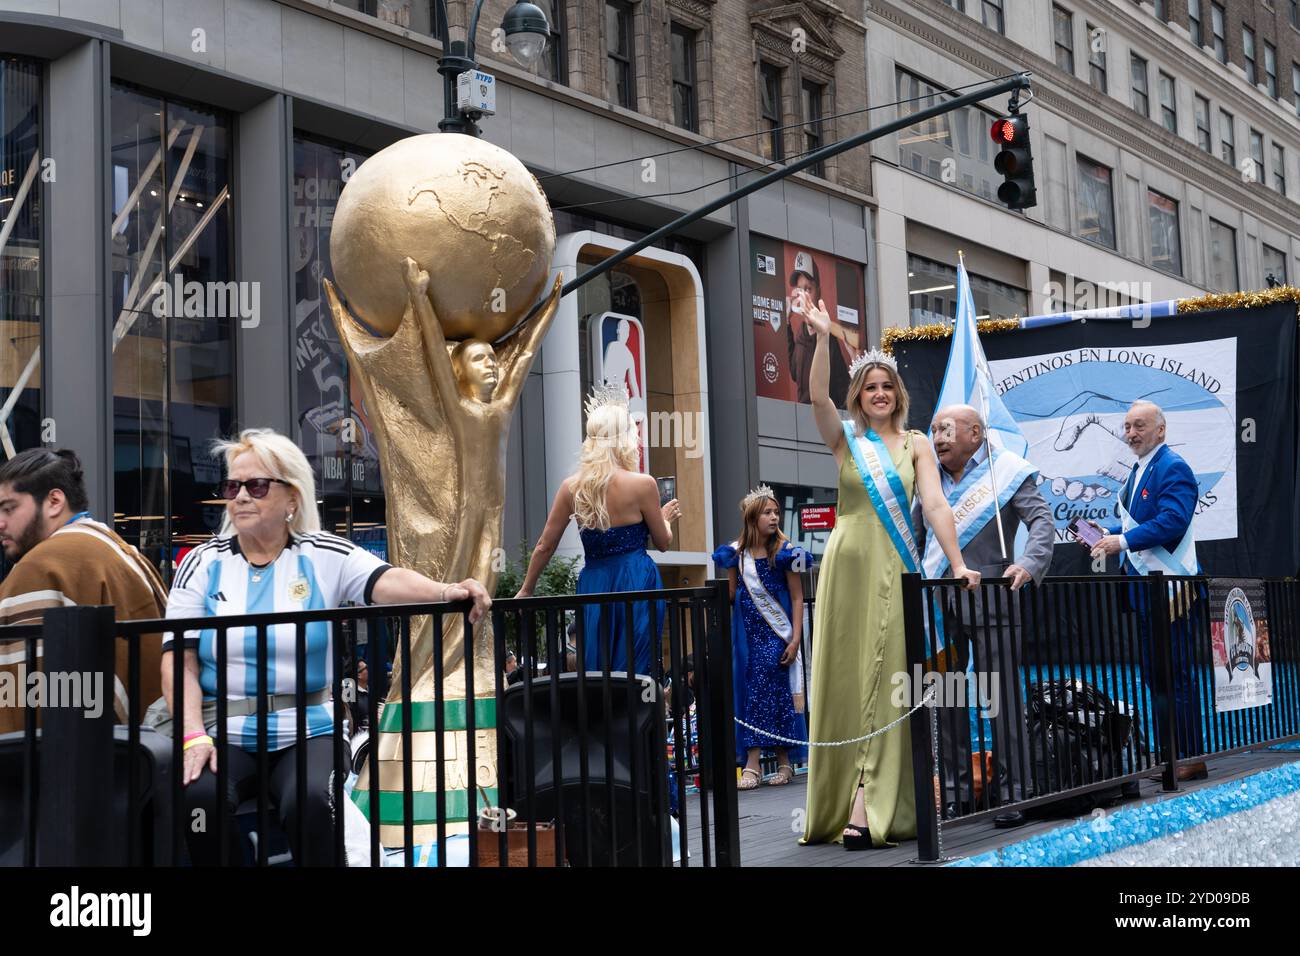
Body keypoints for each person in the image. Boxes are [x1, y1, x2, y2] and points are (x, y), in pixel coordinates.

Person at [161, 428, 491, 866]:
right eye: (232, 486)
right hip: (224, 732)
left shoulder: (323, 554)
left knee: (314, 802)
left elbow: (385, 580)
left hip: (309, 730)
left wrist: (445, 590)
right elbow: (177, 662)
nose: (240, 496)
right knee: (199, 800)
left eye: (256, 485)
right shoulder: (202, 564)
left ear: (292, 498)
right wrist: (192, 737)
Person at [797, 298, 979, 851]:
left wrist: (957, 562)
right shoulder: (845, 441)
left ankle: (871, 802)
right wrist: (824, 337)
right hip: (847, 566)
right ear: (861, 396)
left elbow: (935, 505)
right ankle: (847, 796)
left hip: (894, 563)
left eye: (887, 386)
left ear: (899, 394)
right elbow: (817, 397)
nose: (879, 393)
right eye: (870, 387)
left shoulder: (920, 443)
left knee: (889, 678)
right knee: (848, 679)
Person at [913, 404, 1054, 828]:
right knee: (948, 699)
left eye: (945, 429)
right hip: (939, 603)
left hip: (994, 595)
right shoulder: (928, 477)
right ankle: (956, 795)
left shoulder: (1006, 471)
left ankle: (1014, 794)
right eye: (934, 429)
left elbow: (1042, 521)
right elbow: (917, 536)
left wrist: (1029, 563)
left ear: (975, 432)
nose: (936, 437)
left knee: (1002, 701)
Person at [515, 389, 680, 676]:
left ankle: (600, 717)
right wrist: (665, 519)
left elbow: (545, 545)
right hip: (637, 579)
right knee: (636, 663)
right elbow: (663, 543)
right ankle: (636, 717)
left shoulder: (572, 488)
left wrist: (527, 589)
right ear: (625, 438)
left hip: (594, 581)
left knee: (597, 663)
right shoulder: (643, 484)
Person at [0, 448, 166, 733]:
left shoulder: (43, 564)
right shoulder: (110, 544)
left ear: (54, 501)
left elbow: (20, 701)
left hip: (73, 755)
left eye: (9, 508)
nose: (1, 522)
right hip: (143, 743)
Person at [1083, 401, 1206, 781]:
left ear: (1161, 430)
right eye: (1127, 426)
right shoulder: (1138, 471)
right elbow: (1143, 524)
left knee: (1176, 675)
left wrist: (1122, 543)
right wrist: (1108, 536)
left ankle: (1189, 757)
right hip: (1146, 590)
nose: (1131, 433)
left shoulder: (1173, 467)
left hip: (1171, 590)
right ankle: (1170, 753)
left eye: (1139, 426)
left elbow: (1173, 521)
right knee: (1156, 676)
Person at [712, 486, 809, 790]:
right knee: (753, 687)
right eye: (767, 512)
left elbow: (797, 598)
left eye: (776, 512)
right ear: (752, 518)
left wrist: (794, 640)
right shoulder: (735, 554)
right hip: (747, 635)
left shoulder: (785, 552)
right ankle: (782, 761)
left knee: (767, 685)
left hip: (777, 633)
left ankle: (755, 762)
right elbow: (730, 593)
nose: (774, 517)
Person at [785, 251, 853, 405]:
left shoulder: (829, 338)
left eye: (808, 289)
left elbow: (842, 392)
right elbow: (795, 373)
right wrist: (786, 323)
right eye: (800, 290)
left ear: (818, 292)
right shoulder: (800, 335)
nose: (804, 296)